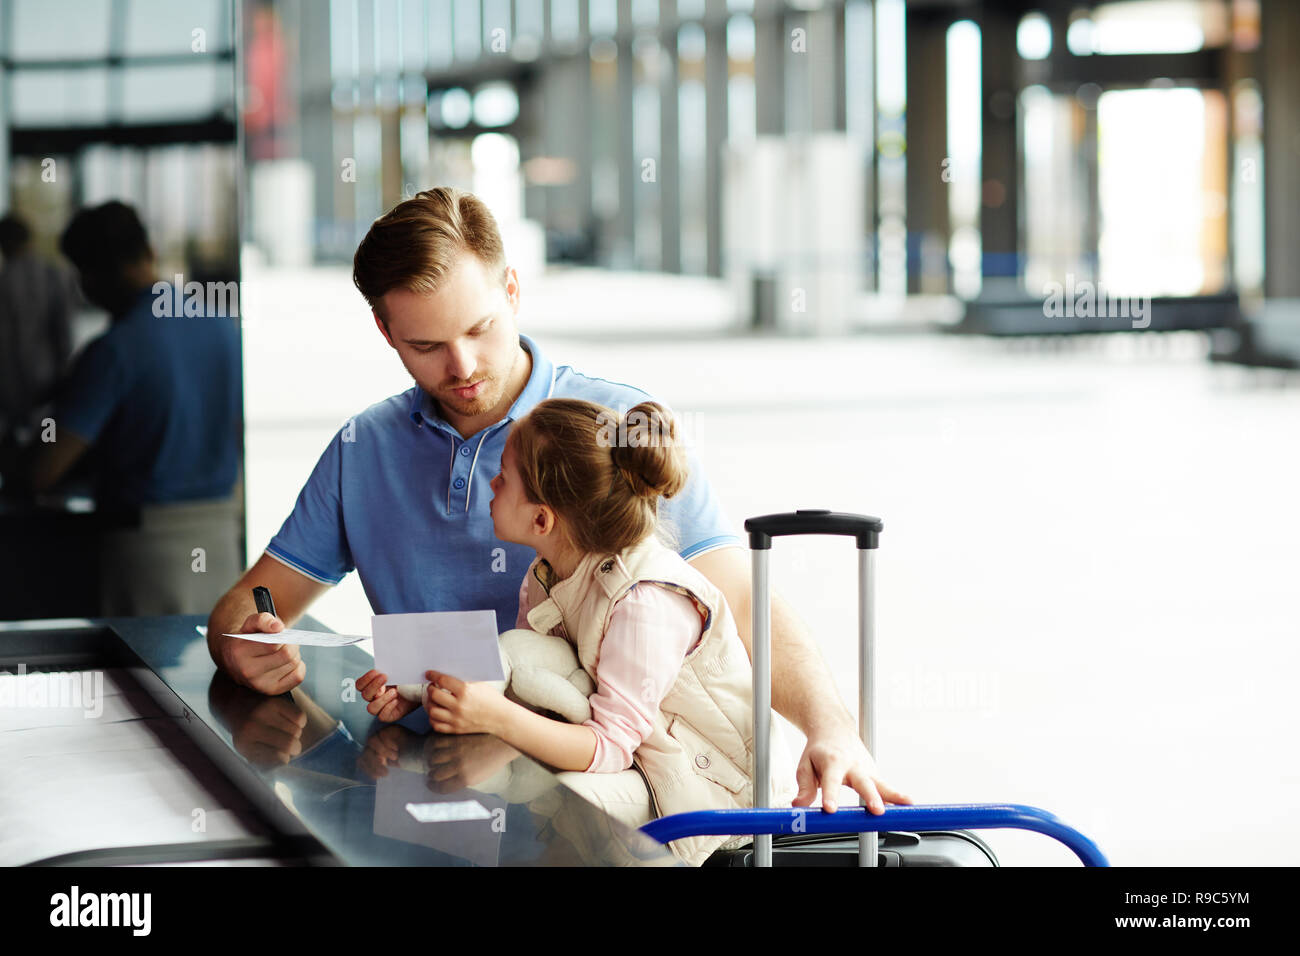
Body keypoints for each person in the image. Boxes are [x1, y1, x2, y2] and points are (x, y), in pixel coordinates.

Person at [207, 186, 906, 817]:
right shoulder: (364, 450)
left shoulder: (615, 428)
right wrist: (244, 649)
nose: (462, 367)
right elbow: (246, 607)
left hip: (606, 814)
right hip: (427, 802)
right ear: (386, 332)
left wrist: (832, 728)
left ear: (513, 290)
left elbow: (741, 605)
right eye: (426, 345)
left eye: (479, 328)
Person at [362, 398, 834, 865]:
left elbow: (608, 746)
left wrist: (496, 718)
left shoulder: (645, 600)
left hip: (713, 793)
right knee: (520, 650)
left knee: (569, 797)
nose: (492, 482)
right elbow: (531, 680)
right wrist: (425, 689)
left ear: (542, 519)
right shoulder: (547, 575)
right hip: (641, 761)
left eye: (504, 476)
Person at [29, 201, 242, 615]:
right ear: (149, 251)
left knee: (141, 678)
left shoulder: (114, 350)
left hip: (146, 551)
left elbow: (43, 471)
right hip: (219, 542)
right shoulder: (221, 326)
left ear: (90, 275)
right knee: (211, 671)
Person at [0, 213, 72, 444]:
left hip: (9, 387)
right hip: (48, 381)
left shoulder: (4, 280)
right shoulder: (53, 276)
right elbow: (63, 336)